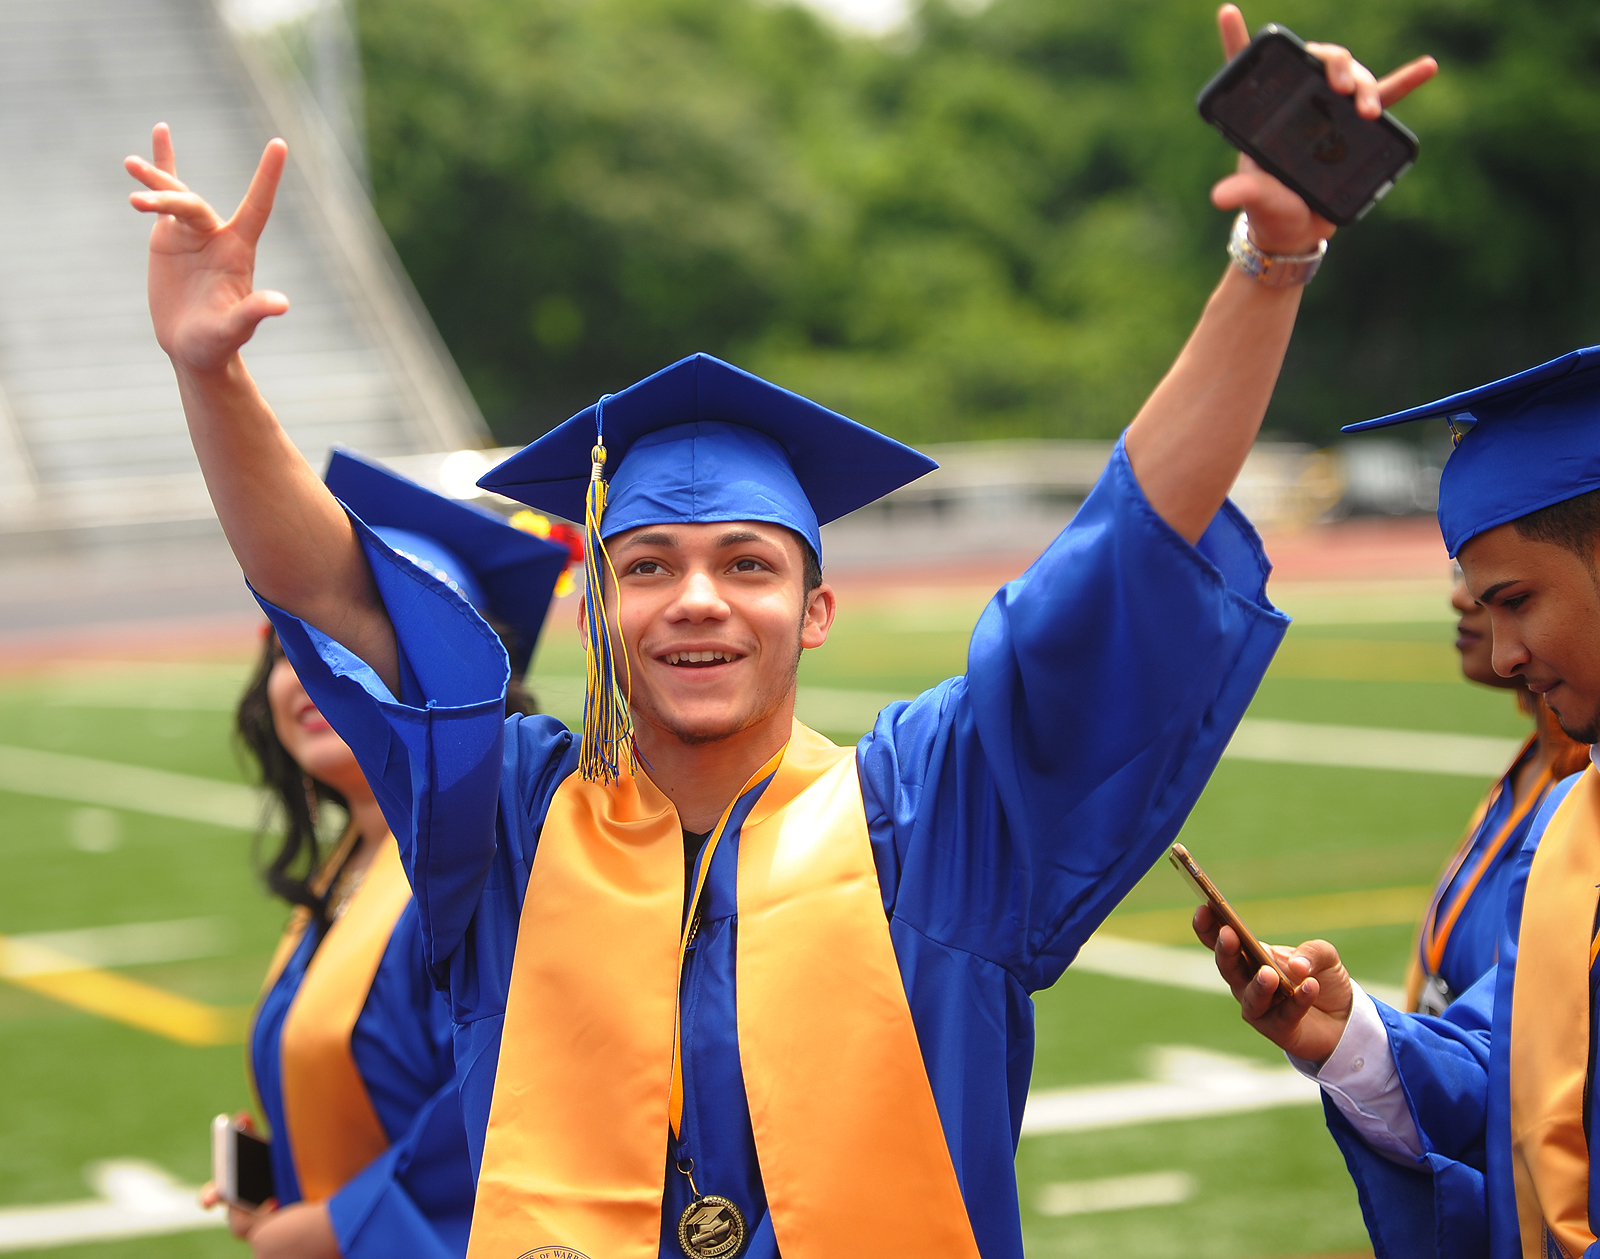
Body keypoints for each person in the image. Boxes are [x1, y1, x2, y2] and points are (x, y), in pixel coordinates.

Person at [125, 7, 1435, 1254]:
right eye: (649, 565)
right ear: (596, 608)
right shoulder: (507, 828)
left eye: (747, 563)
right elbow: (342, 599)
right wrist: (211, 373)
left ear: (815, 607)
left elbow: (1122, 550)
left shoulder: (933, 818)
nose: (697, 596)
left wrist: (1273, 266)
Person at [1199, 346, 1600, 1259]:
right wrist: (1355, 1043)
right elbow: (1520, 1064)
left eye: (1515, 600)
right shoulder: (1567, 821)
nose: (1500, 653)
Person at [204, 450, 569, 1259]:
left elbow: (509, 1097)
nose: (314, 675)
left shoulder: (486, 867)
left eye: (358, 640)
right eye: (292, 649)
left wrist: (333, 1227)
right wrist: (284, 1173)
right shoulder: (352, 867)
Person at [1404, 569, 1588, 1014]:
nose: (1458, 598)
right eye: (1456, 572)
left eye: (1516, 595)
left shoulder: (1583, 784)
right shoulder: (1529, 767)